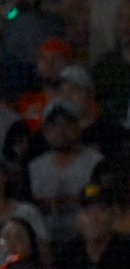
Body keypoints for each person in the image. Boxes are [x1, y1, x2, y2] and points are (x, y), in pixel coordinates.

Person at [27, 102, 101, 246]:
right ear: (45, 131)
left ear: (78, 128)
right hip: (43, 244)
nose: (60, 131)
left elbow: (99, 192)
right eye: (53, 125)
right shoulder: (34, 167)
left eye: (66, 124)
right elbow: (26, 205)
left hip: (85, 243)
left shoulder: (95, 162)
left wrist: (81, 196)